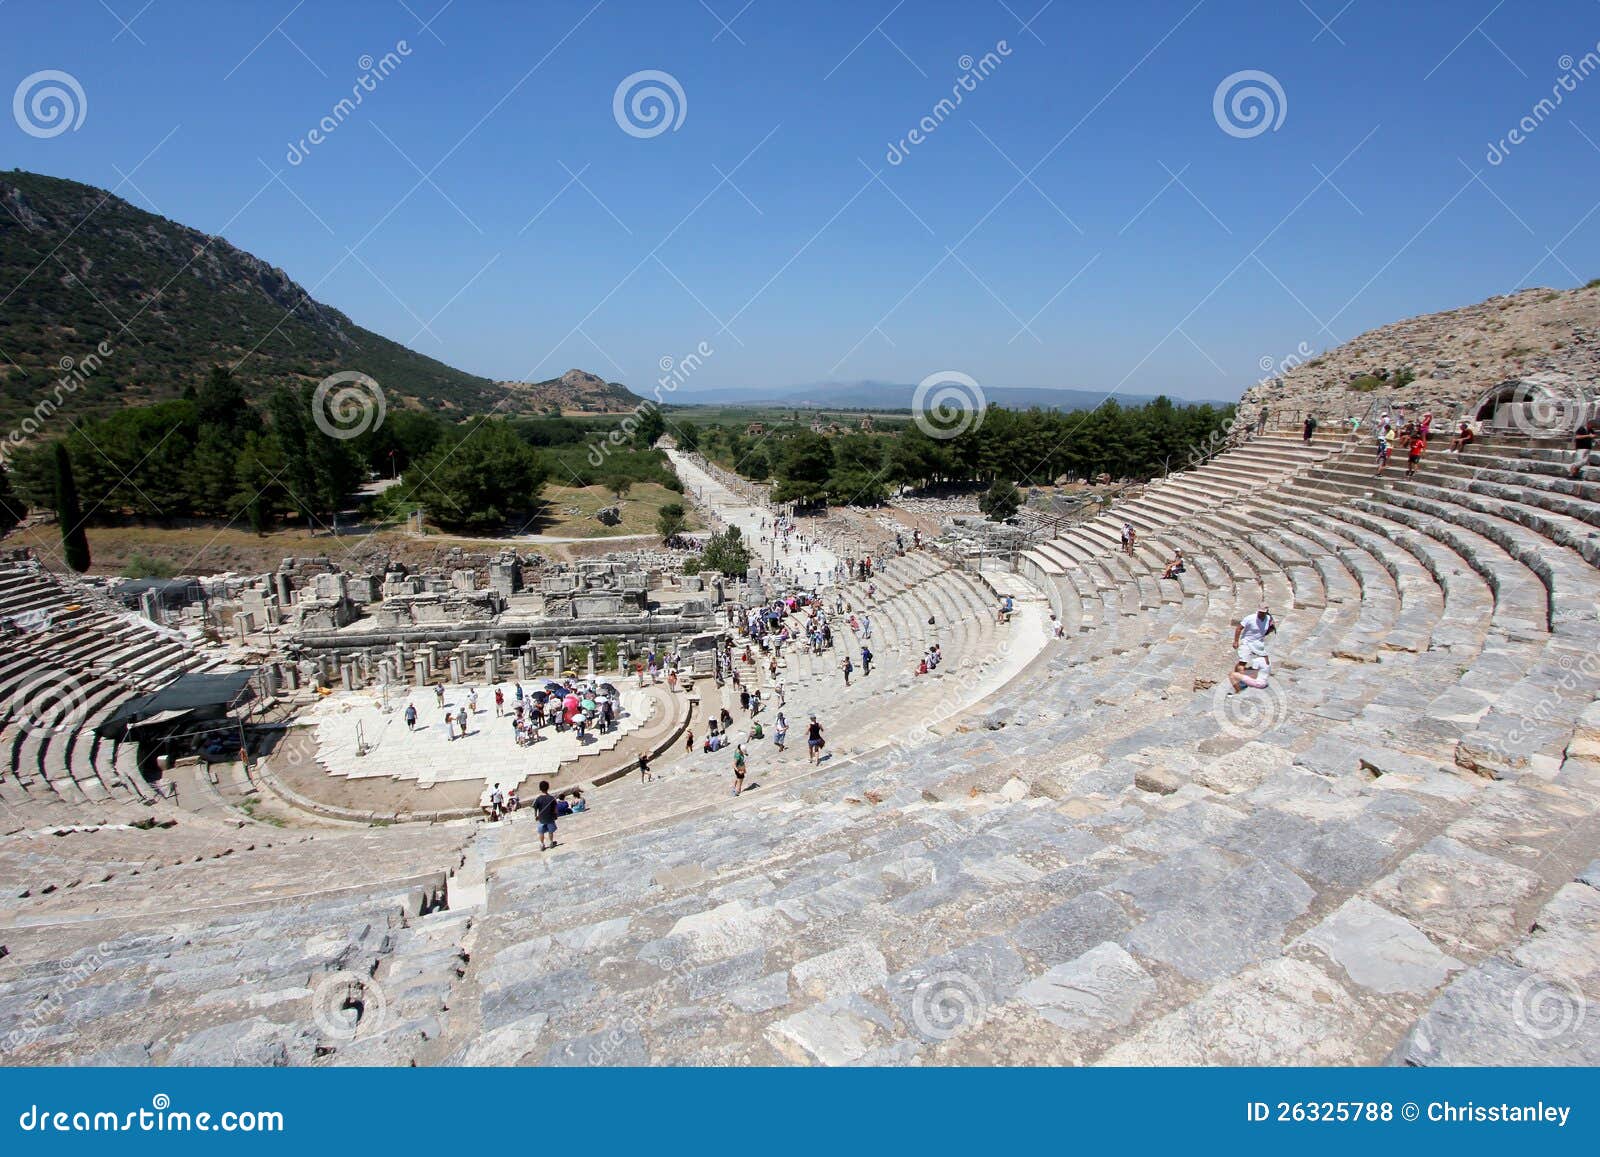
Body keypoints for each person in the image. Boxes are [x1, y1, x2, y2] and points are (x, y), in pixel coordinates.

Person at [533, 780, 559, 850]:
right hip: (550, 818)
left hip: (542, 819)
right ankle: (551, 843)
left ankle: (542, 844)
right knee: (550, 831)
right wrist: (556, 815)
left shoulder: (538, 799)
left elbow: (535, 808)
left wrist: (536, 816)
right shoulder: (551, 798)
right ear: (548, 788)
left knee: (541, 832)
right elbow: (555, 809)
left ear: (540, 789)